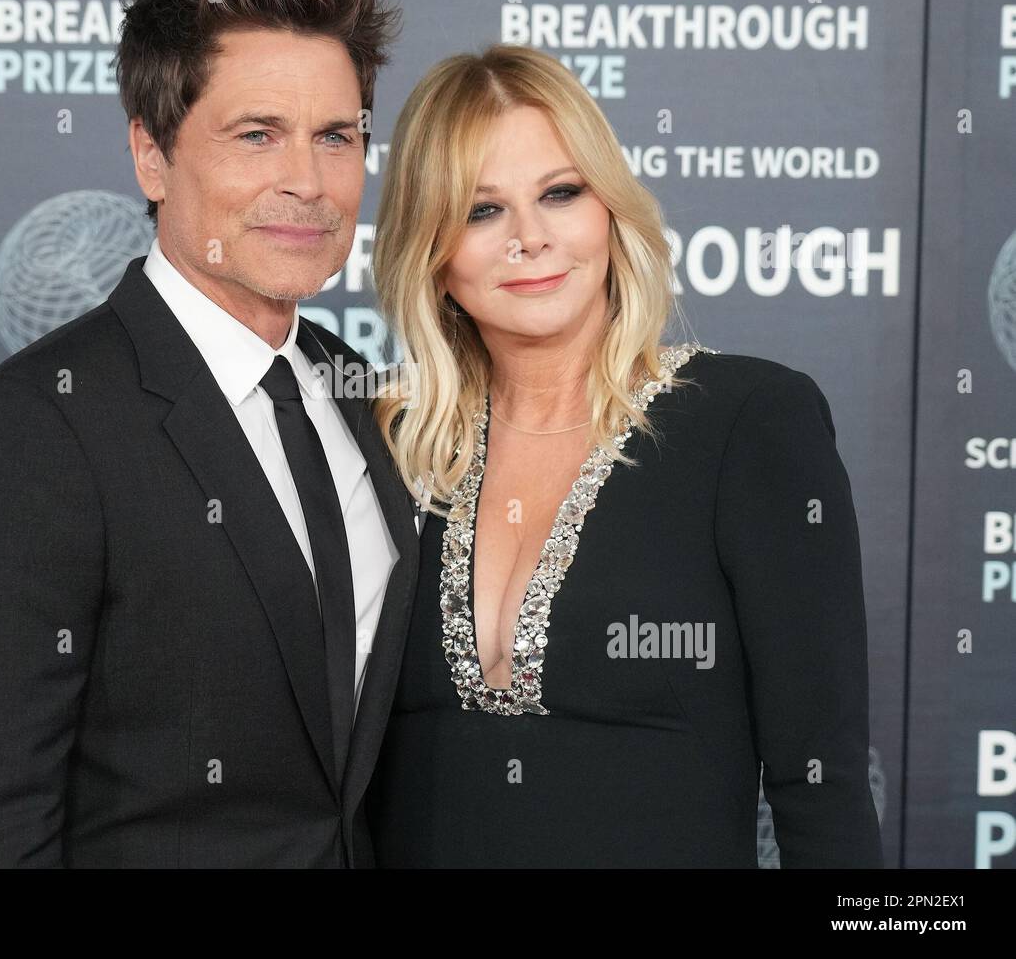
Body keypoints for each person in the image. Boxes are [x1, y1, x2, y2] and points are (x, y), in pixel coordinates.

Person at [0, 0, 414, 868]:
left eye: (335, 137)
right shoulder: (31, 434)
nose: (307, 181)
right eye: (257, 134)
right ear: (150, 152)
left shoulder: (359, 395)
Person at [362, 44, 883, 868]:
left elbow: (822, 788)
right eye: (481, 210)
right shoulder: (386, 444)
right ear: (431, 249)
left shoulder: (749, 425)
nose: (530, 239)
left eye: (560, 193)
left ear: (609, 208)